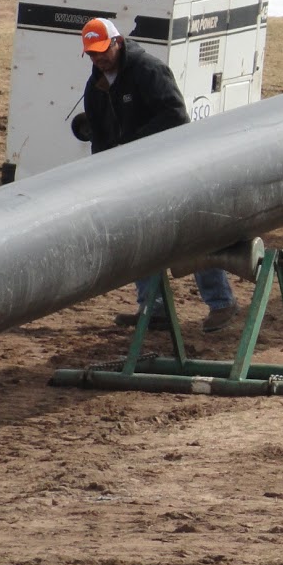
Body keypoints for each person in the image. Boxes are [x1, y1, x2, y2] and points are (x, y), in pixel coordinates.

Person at [78, 17, 239, 334]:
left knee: (191, 234)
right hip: (131, 176)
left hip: (171, 168)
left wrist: (132, 144)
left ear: (117, 42)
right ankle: (154, 308)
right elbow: (99, 136)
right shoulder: (95, 88)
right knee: (143, 240)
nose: (99, 58)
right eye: (93, 54)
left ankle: (221, 303)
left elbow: (176, 115)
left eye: (102, 51)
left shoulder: (148, 71)